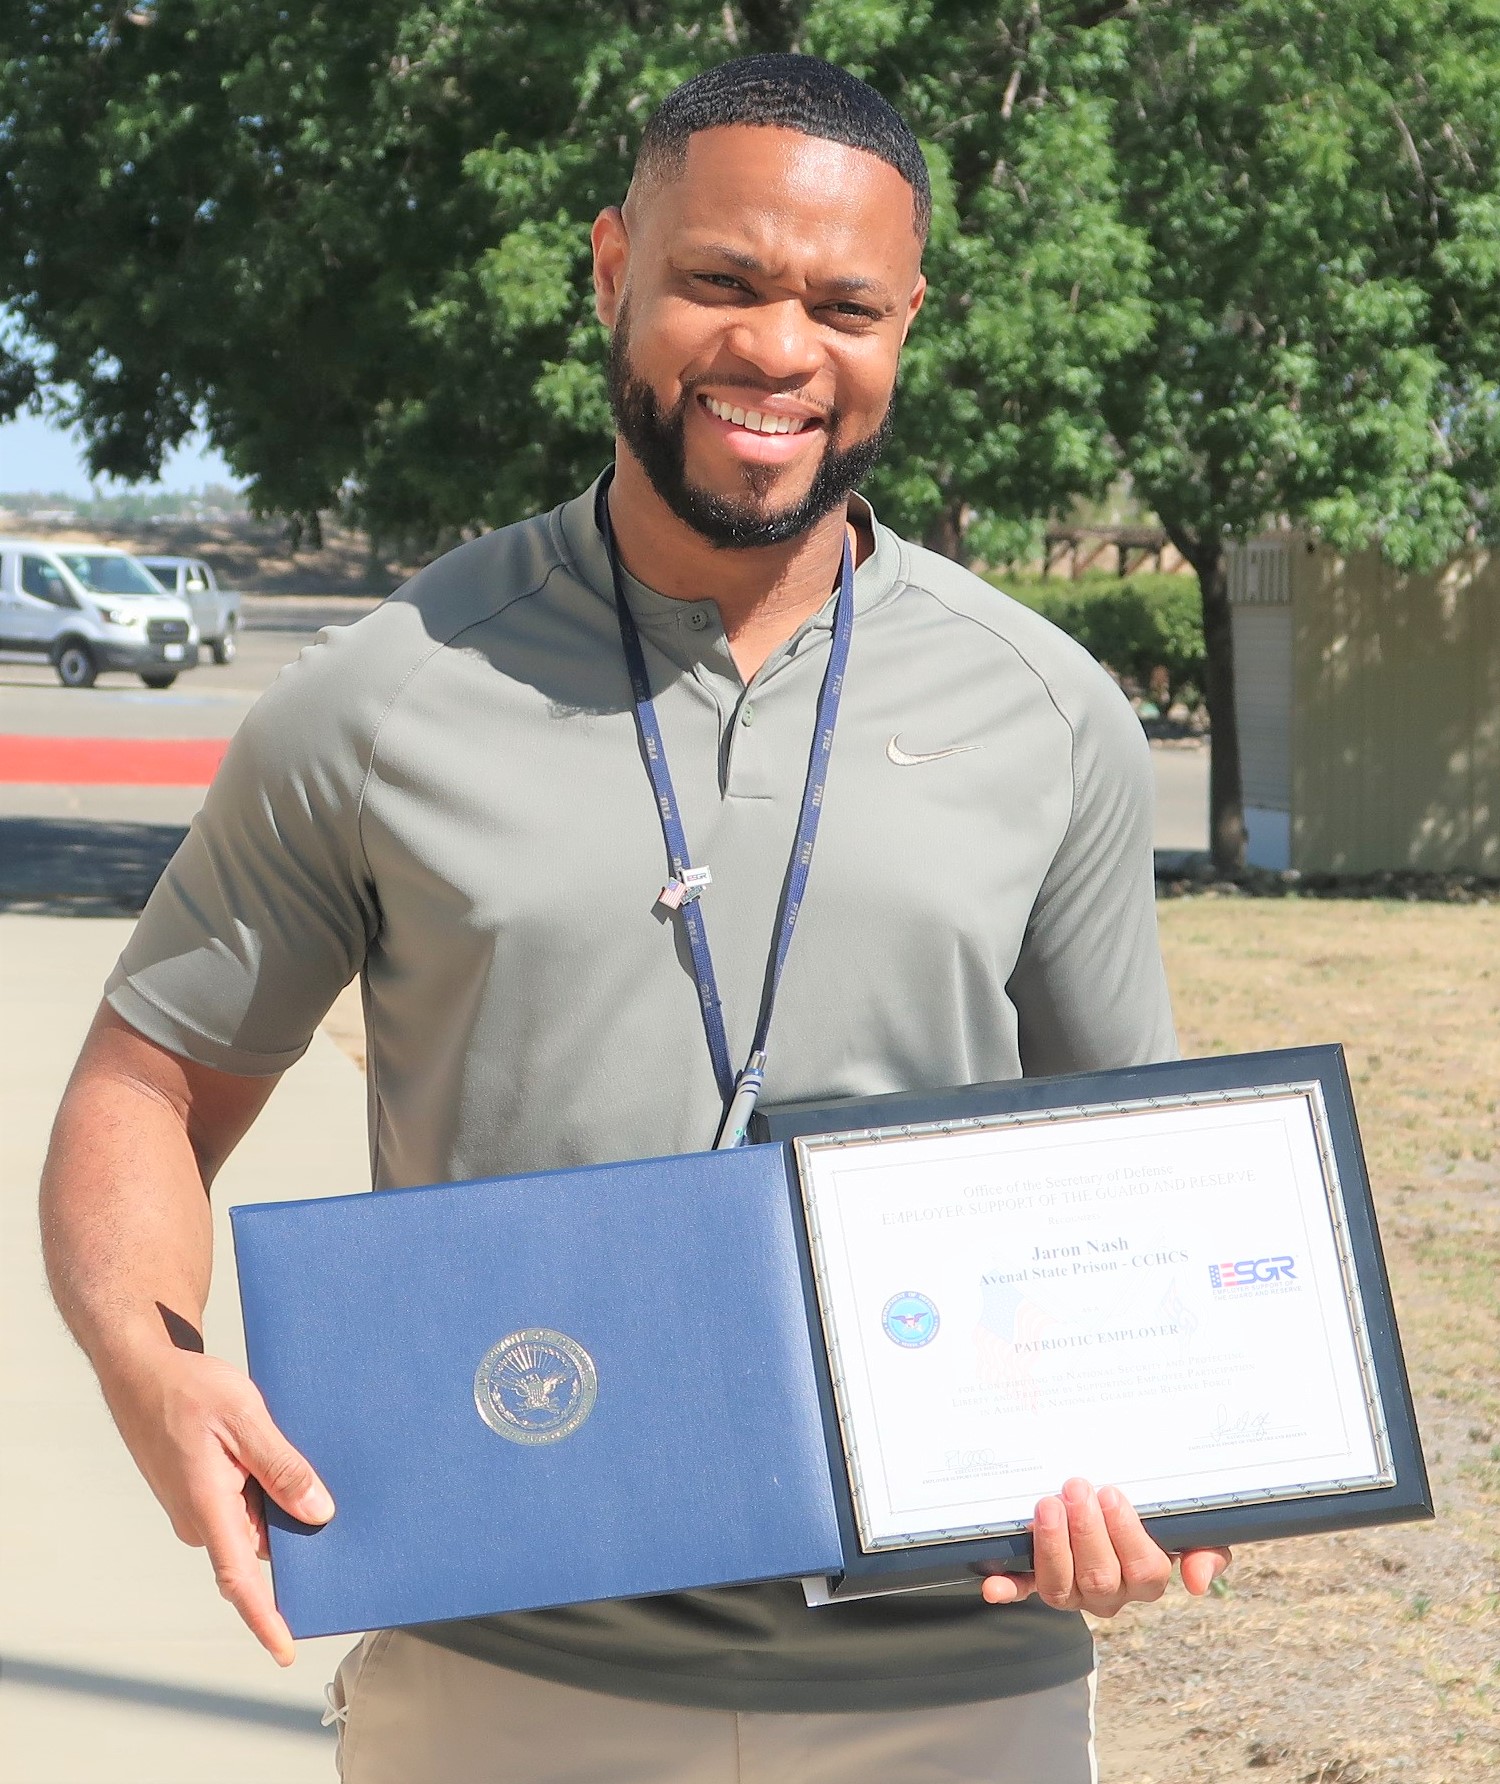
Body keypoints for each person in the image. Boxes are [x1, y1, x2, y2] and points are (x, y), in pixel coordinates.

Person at [40, 53, 1229, 1784]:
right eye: (721, 281)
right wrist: (149, 1364)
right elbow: (142, 1086)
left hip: (955, 1698)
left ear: (907, 322)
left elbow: (1129, 1180)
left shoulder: (1049, 711)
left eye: (844, 303)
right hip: (500, 1682)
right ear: (612, 271)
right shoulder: (384, 696)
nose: (778, 350)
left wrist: (1161, 1461)